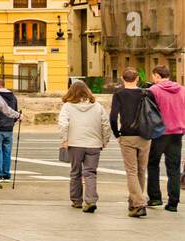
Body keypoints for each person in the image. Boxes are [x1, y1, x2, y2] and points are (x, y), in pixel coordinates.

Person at [58, 79, 112, 212]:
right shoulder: (98, 106)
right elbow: (105, 124)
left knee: (75, 172)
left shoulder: (68, 106)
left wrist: (64, 139)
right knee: (90, 173)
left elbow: (63, 124)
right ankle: (90, 200)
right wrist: (105, 140)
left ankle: (76, 200)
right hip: (94, 144)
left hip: (75, 144)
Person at [109, 67, 152, 218]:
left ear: (122, 78)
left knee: (131, 171)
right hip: (145, 136)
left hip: (127, 136)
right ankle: (134, 202)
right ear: (137, 79)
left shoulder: (119, 94)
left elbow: (113, 117)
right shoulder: (146, 93)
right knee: (141, 170)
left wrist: (117, 134)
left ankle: (139, 203)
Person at [148, 64, 185, 211]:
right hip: (177, 132)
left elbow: (149, 112)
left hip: (159, 133)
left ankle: (155, 198)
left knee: (153, 164)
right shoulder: (182, 90)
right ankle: (173, 202)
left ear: (157, 75)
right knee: (174, 168)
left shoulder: (153, 90)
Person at [0, 77, 19, 181]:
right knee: (7, 151)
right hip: (9, 128)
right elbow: (15, 111)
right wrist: (12, 122)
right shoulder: (13, 96)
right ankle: (6, 174)